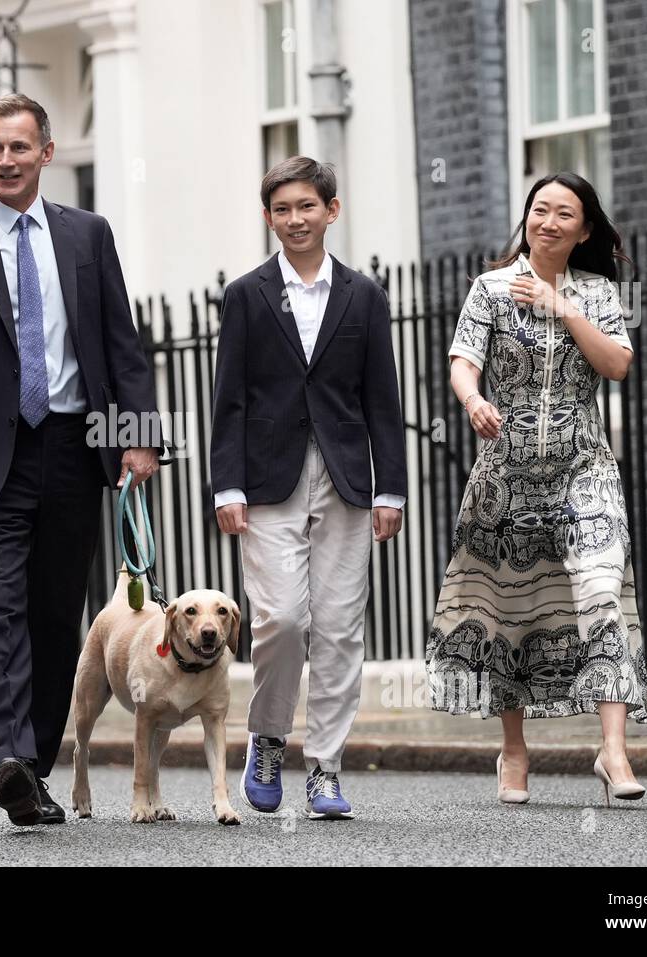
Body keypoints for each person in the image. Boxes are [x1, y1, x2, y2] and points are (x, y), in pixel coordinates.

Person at [0, 93, 160, 825]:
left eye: (20, 147)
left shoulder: (88, 235)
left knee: (55, 617)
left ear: (47, 152)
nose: (7, 160)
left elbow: (122, 340)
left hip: (75, 450)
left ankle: (34, 768)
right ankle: (10, 755)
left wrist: (138, 432)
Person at [425, 171, 647, 806]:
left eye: (564, 213)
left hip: (585, 466)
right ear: (527, 218)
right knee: (511, 610)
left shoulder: (602, 292)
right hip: (507, 470)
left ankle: (613, 750)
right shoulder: (490, 289)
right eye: (539, 210)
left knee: (602, 590)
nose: (549, 221)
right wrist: (472, 400)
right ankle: (515, 751)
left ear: (583, 230)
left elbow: (617, 365)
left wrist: (566, 309)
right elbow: (463, 360)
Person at [211, 156, 407, 820]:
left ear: (332, 210)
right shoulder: (245, 294)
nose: (295, 219)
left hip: (348, 478)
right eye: (282, 209)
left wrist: (392, 490)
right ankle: (267, 737)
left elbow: (384, 398)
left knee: (341, 627)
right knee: (283, 619)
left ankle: (325, 765)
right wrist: (225, 485)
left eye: (307, 206)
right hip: (268, 479)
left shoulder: (366, 295)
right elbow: (228, 399)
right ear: (268, 217)